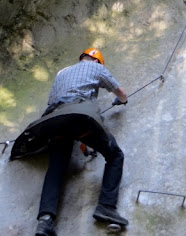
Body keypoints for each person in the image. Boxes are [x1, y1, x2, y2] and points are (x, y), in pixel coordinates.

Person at [34, 47, 129, 236]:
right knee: (115, 155)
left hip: (53, 119)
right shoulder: (97, 68)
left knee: (56, 166)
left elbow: (52, 100)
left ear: (82, 58)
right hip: (79, 116)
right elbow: (120, 91)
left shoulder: (62, 73)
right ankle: (106, 207)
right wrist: (123, 100)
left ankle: (45, 222)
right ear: (96, 61)